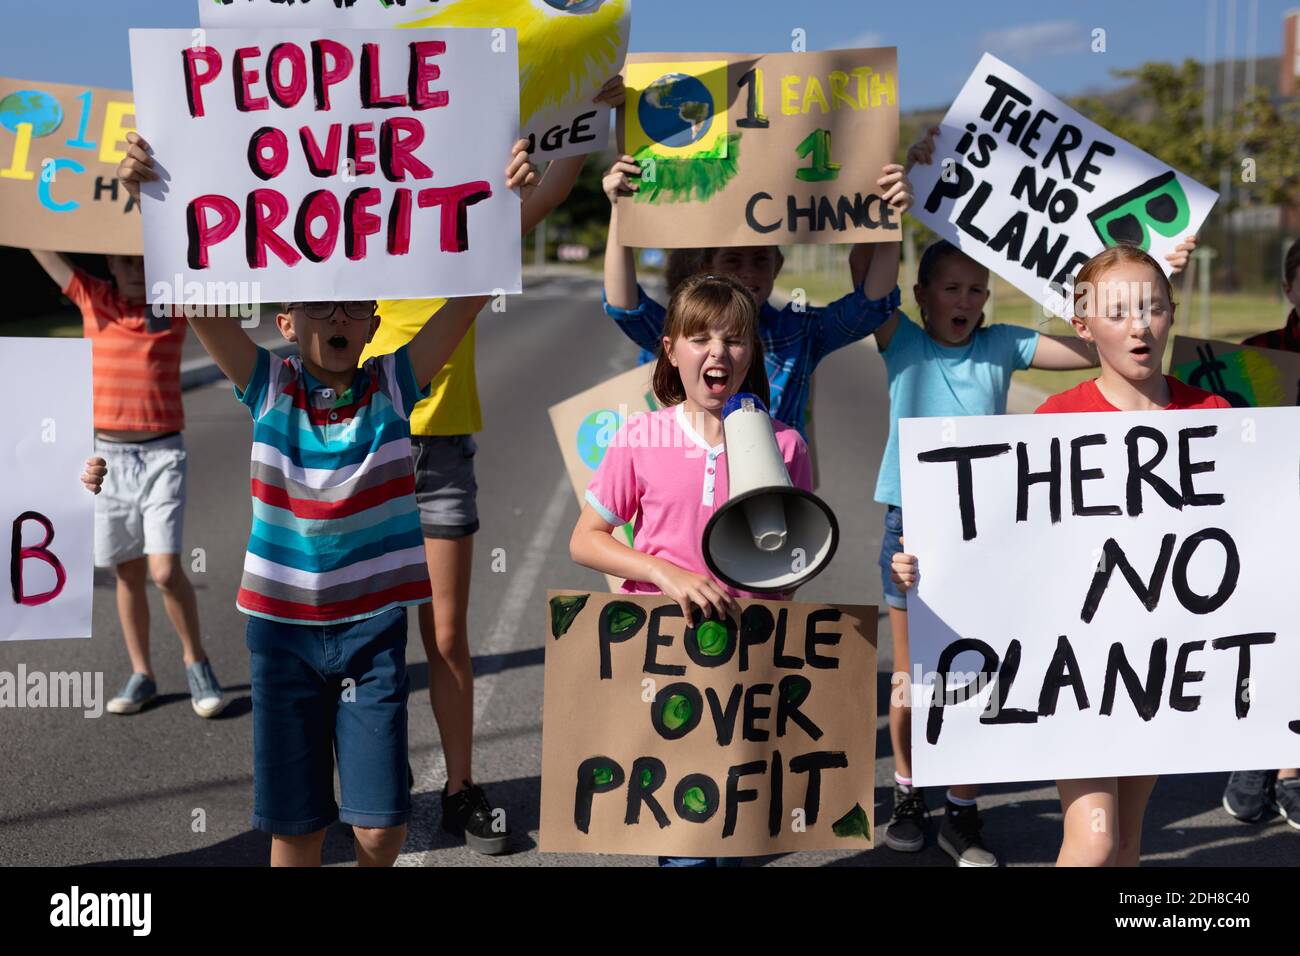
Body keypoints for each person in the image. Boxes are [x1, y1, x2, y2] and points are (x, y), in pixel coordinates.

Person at [120, 130, 538, 866]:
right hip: (280, 638)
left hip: (372, 635)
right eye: (320, 306)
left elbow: (468, 300)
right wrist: (152, 200)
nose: (338, 319)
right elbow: (193, 297)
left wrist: (507, 203)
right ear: (288, 323)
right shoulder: (268, 385)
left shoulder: (393, 384)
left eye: (353, 308)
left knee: (380, 828)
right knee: (298, 833)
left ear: (374, 324)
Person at [874, 129, 1198, 867]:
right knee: (916, 676)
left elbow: (1098, 345)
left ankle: (962, 806)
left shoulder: (1003, 345)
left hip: (991, 530)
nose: (966, 300)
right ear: (922, 296)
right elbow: (870, 289)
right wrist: (898, 203)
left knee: (970, 677)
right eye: (951, 290)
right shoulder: (902, 341)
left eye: (978, 289)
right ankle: (909, 786)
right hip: (914, 528)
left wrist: (1139, 287)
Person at [358, 76, 624, 854]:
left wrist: (584, 120)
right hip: (357, 452)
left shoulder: (461, 225)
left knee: (444, 636)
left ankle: (461, 787)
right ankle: (374, 788)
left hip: (440, 453)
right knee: (368, 639)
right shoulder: (341, 233)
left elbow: (548, 193)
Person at [570, 272, 808, 867]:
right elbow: (587, 540)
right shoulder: (640, 438)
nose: (717, 353)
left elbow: (796, 562)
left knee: (736, 837)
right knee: (685, 841)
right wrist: (664, 574)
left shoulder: (787, 447)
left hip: (745, 667)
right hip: (663, 661)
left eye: (734, 340)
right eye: (699, 339)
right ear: (671, 351)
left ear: (750, 354)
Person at [28, 249, 223, 718]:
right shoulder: (93, 298)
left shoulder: (170, 305)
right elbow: (41, 247)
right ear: (109, 266)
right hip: (106, 457)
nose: (136, 270)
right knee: (126, 571)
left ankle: (197, 662)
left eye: (142, 260)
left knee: (162, 570)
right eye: (125, 262)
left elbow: (200, 259)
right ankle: (143, 674)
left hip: (162, 454)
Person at [601, 155, 912, 436]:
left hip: (773, 493)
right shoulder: (685, 326)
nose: (748, 272)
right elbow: (626, 306)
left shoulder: (800, 330)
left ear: (778, 265)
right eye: (733, 261)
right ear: (707, 266)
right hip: (696, 492)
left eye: (761, 260)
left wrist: (888, 215)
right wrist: (620, 210)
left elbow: (871, 306)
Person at [1222, 235, 1300, 828]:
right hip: (1266, 528)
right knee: (1262, 644)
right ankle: (1252, 754)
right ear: (1288, 288)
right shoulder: (1255, 356)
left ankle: (1289, 767)